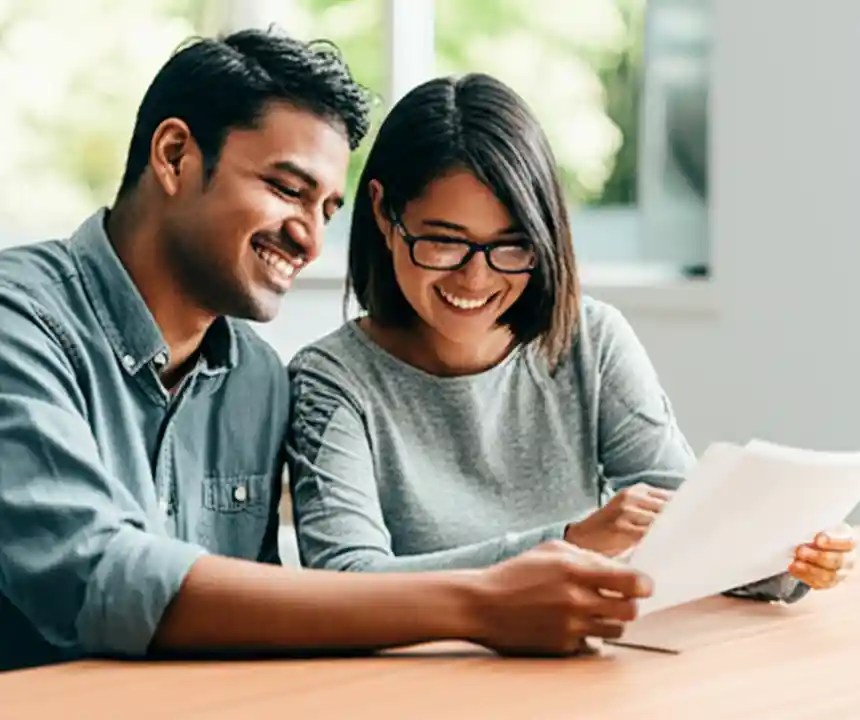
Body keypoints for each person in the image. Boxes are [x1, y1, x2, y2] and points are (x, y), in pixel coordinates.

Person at [0, 31, 651, 673]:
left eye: (326, 208)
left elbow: (250, 616)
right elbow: (99, 575)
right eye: (287, 189)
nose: (309, 239)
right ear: (174, 156)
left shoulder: (253, 379)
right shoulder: (20, 320)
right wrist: (479, 601)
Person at [287, 74, 857, 600]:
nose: (476, 278)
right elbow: (347, 583)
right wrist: (571, 542)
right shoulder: (331, 382)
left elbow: (691, 532)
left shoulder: (590, 340)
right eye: (444, 242)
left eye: (512, 245)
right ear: (386, 214)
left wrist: (787, 559)